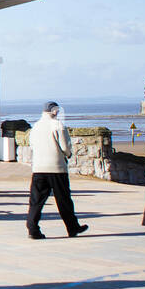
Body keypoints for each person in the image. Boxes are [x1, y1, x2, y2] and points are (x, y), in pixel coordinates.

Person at [26, 102, 88, 240]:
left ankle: (32, 227)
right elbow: (65, 147)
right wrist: (68, 154)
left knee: (36, 200)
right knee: (63, 199)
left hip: (38, 168)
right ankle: (72, 227)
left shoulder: (35, 126)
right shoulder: (58, 125)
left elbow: (32, 145)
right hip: (56, 168)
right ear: (54, 111)